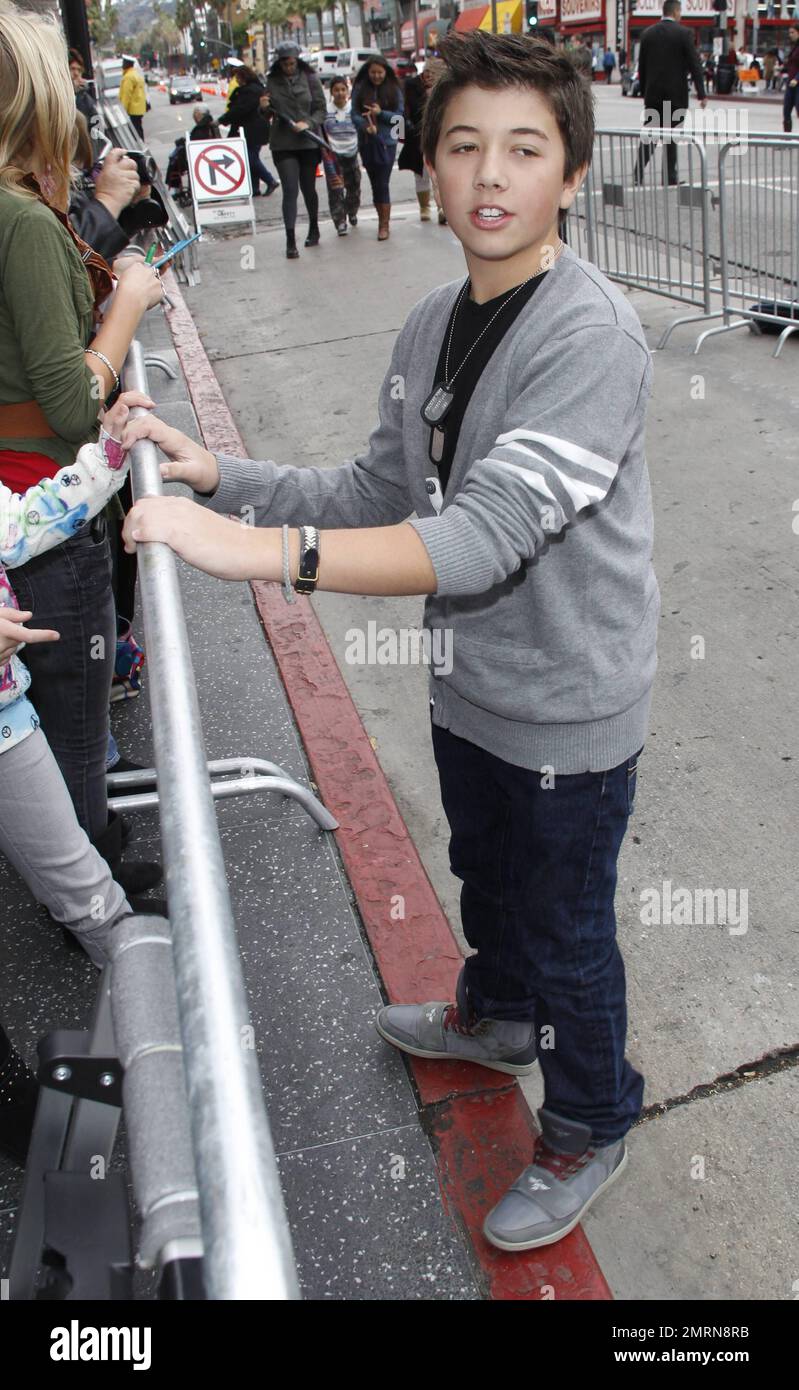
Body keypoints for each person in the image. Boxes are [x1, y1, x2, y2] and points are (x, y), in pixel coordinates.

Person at [120, 29, 660, 1254]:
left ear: (569, 174)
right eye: (463, 144)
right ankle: (496, 1017)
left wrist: (253, 555)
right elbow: (380, 485)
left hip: (570, 704)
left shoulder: (591, 338)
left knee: (570, 925)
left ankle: (590, 1114)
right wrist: (228, 479)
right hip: (469, 686)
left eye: (525, 149)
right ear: (425, 163)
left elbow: (477, 539)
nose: (489, 175)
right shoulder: (432, 318)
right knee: (487, 875)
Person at [0, 4, 164, 895]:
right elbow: (68, 403)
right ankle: (91, 894)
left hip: (21, 505)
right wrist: (130, 303)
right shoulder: (21, 221)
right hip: (43, 515)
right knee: (66, 722)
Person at [634, 0, 707, 187]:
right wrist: (701, 93)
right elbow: (694, 64)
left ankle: (638, 173)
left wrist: (644, 92)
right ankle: (669, 176)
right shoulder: (683, 34)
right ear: (675, 11)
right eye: (680, 10)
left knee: (650, 135)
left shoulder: (647, 34)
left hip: (654, 95)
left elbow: (642, 67)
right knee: (671, 137)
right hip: (675, 95)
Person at [266, 40, 327, 258]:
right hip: (283, 142)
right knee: (290, 189)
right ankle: (290, 240)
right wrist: (263, 107)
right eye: (284, 63)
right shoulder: (271, 81)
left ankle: (314, 227)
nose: (288, 66)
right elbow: (265, 114)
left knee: (308, 188)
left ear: (297, 60)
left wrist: (308, 123)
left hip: (307, 141)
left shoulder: (310, 79)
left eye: (291, 62)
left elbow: (321, 110)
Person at [351, 56, 404, 241]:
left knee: (383, 182)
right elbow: (354, 114)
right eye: (373, 72)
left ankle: (384, 225)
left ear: (385, 72)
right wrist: (366, 126)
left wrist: (381, 114)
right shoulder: (360, 88)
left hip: (387, 142)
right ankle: (381, 216)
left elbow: (399, 116)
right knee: (375, 183)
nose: (376, 76)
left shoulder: (394, 88)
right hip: (367, 142)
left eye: (380, 72)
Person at [399, 57, 447, 225]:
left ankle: (442, 208)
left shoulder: (442, 87)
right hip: (415, 136)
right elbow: (403, 111)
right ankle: (424, 207)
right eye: (430, 76)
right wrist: (400, 134)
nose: (431, 80)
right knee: (421, 174)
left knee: (439, 173)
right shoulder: (410, 85)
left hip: (437, 136)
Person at [219, 65, 279, 197]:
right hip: (253, 128)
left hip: (252, 129)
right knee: (251, 158)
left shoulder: (250, 91)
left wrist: (222, 120)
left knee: (249, 157)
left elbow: (240, 109)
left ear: (244, 77)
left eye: (238, 77)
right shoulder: (253, 89)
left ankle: (270, 180)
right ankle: (254, 188)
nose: (237, 80)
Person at [322, 77, 362, 235]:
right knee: (336, 190)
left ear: (347, 91)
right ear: (331, 92)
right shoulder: (326, 110)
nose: (340, 93)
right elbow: (322, 132)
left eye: (343, 90)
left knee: (354, 188)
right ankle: (340, 222)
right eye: (336, 90)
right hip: (333, 157)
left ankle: (352, 212)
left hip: (352, 153)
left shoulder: (354, 109)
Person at [119, 57, 147, 141]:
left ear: (127, 64)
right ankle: (142, 143)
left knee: (134, 131)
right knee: (138, 128)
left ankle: (139, 147)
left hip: (132, 109)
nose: (122, 65)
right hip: (139, 108)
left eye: (123, 63)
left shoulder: (128, 77)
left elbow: (126, 95)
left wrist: (123, 111)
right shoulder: (136, 74)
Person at [782, 26, 799, 130]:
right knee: (786, 111)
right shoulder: (794, 46)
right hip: (791, 83)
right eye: (789, 33)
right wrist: (782, 69)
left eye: (792, 32)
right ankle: (786, 140)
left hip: (797, 83)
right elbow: (792, 64)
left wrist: (797, 79)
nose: (790, 35)